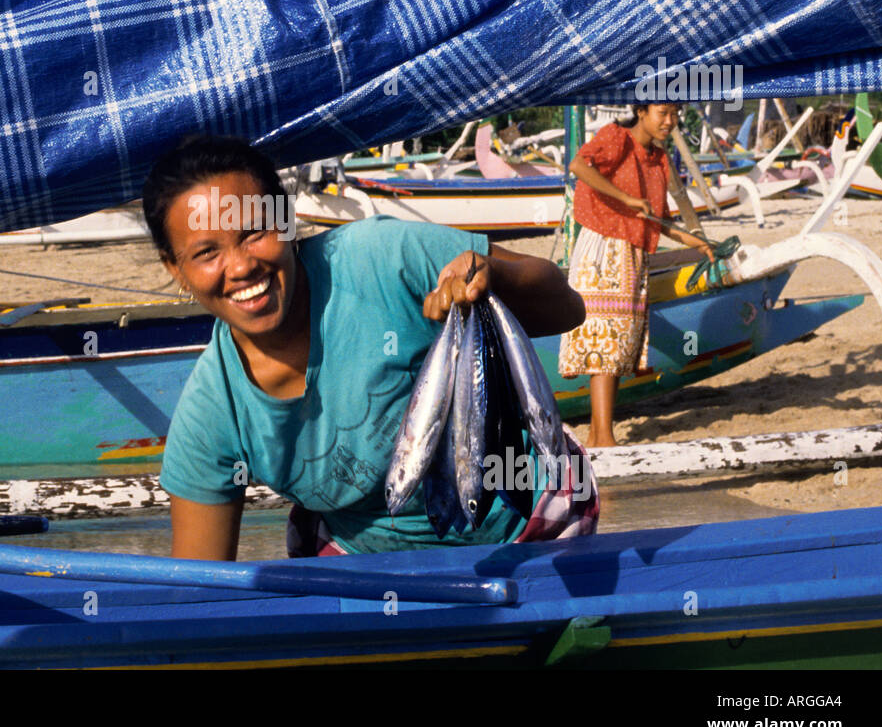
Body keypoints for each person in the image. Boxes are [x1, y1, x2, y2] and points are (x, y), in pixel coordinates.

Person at [143, 134, 593, 561]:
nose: (241, 266)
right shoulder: (210, 413)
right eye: (206, 253)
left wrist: (494, 277)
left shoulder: (384, 256)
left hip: (530, 523)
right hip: (364, 564)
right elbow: (200, 586)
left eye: (254, 232)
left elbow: (567, 308)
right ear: (175, 269)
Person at [560, 104, 715, 448]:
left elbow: (660, 221)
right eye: (663, 113)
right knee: (605, 344)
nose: (670, 121)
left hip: (632, 256)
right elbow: (578, 166)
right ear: (642, 111)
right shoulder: (617, 138)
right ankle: (603, 437)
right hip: (603, 249)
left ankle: (601, 436)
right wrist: (625, 198)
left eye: (675, 114)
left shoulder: (659, 160)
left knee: (618, 348)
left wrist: (699, 243)